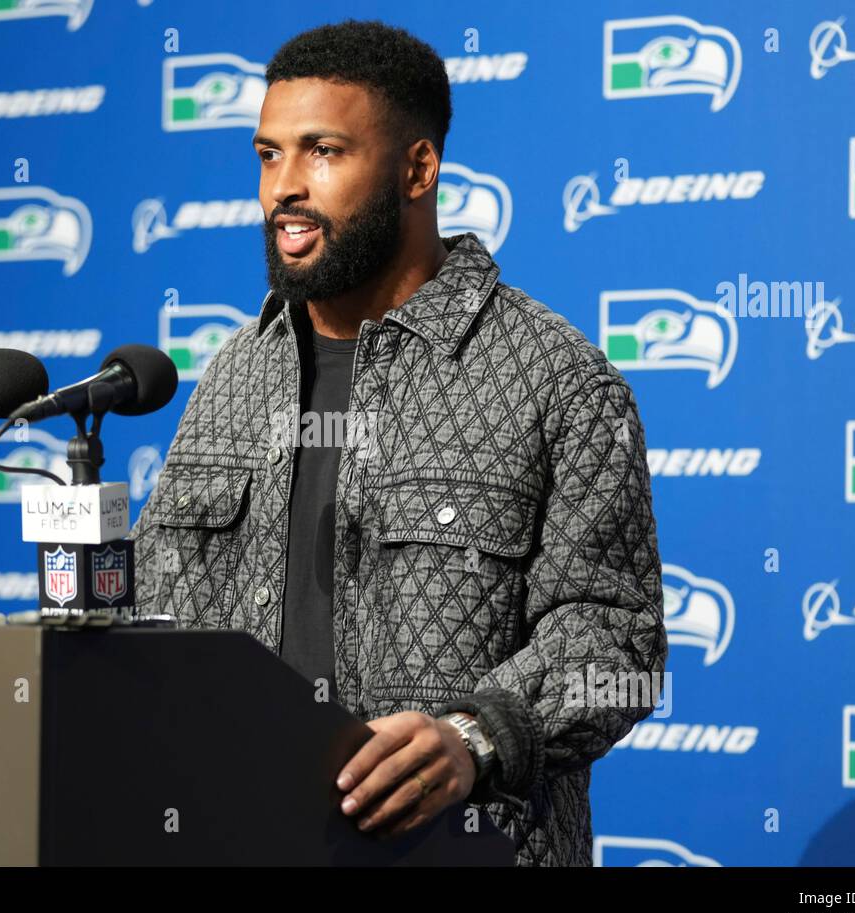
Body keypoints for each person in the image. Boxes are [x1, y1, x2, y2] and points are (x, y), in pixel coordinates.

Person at [132, 19, 668, 866]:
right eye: (268, 155)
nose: (284, 189)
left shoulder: (557, 378)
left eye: (323, 152)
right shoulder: (235, 371)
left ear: (418, 169)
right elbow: (157, 605)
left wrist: (476, 738)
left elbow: (616, 643)